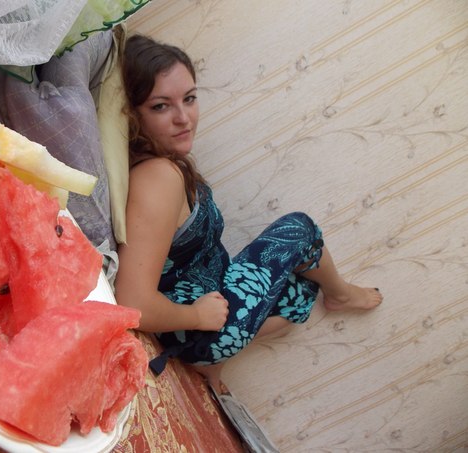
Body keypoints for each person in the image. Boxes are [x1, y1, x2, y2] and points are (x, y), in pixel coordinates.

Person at [114, 34, 383, 390]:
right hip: (190, 323)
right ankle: (342, 294)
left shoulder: (166, 163)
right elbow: (132, 301)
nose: (184, 118)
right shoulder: (157, 177)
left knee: (302, 287)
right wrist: (197, 316)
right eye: (161, 106)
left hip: (208, 308)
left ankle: (214, 359)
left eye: (189, 99)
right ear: (132, 114)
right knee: (300, 229)